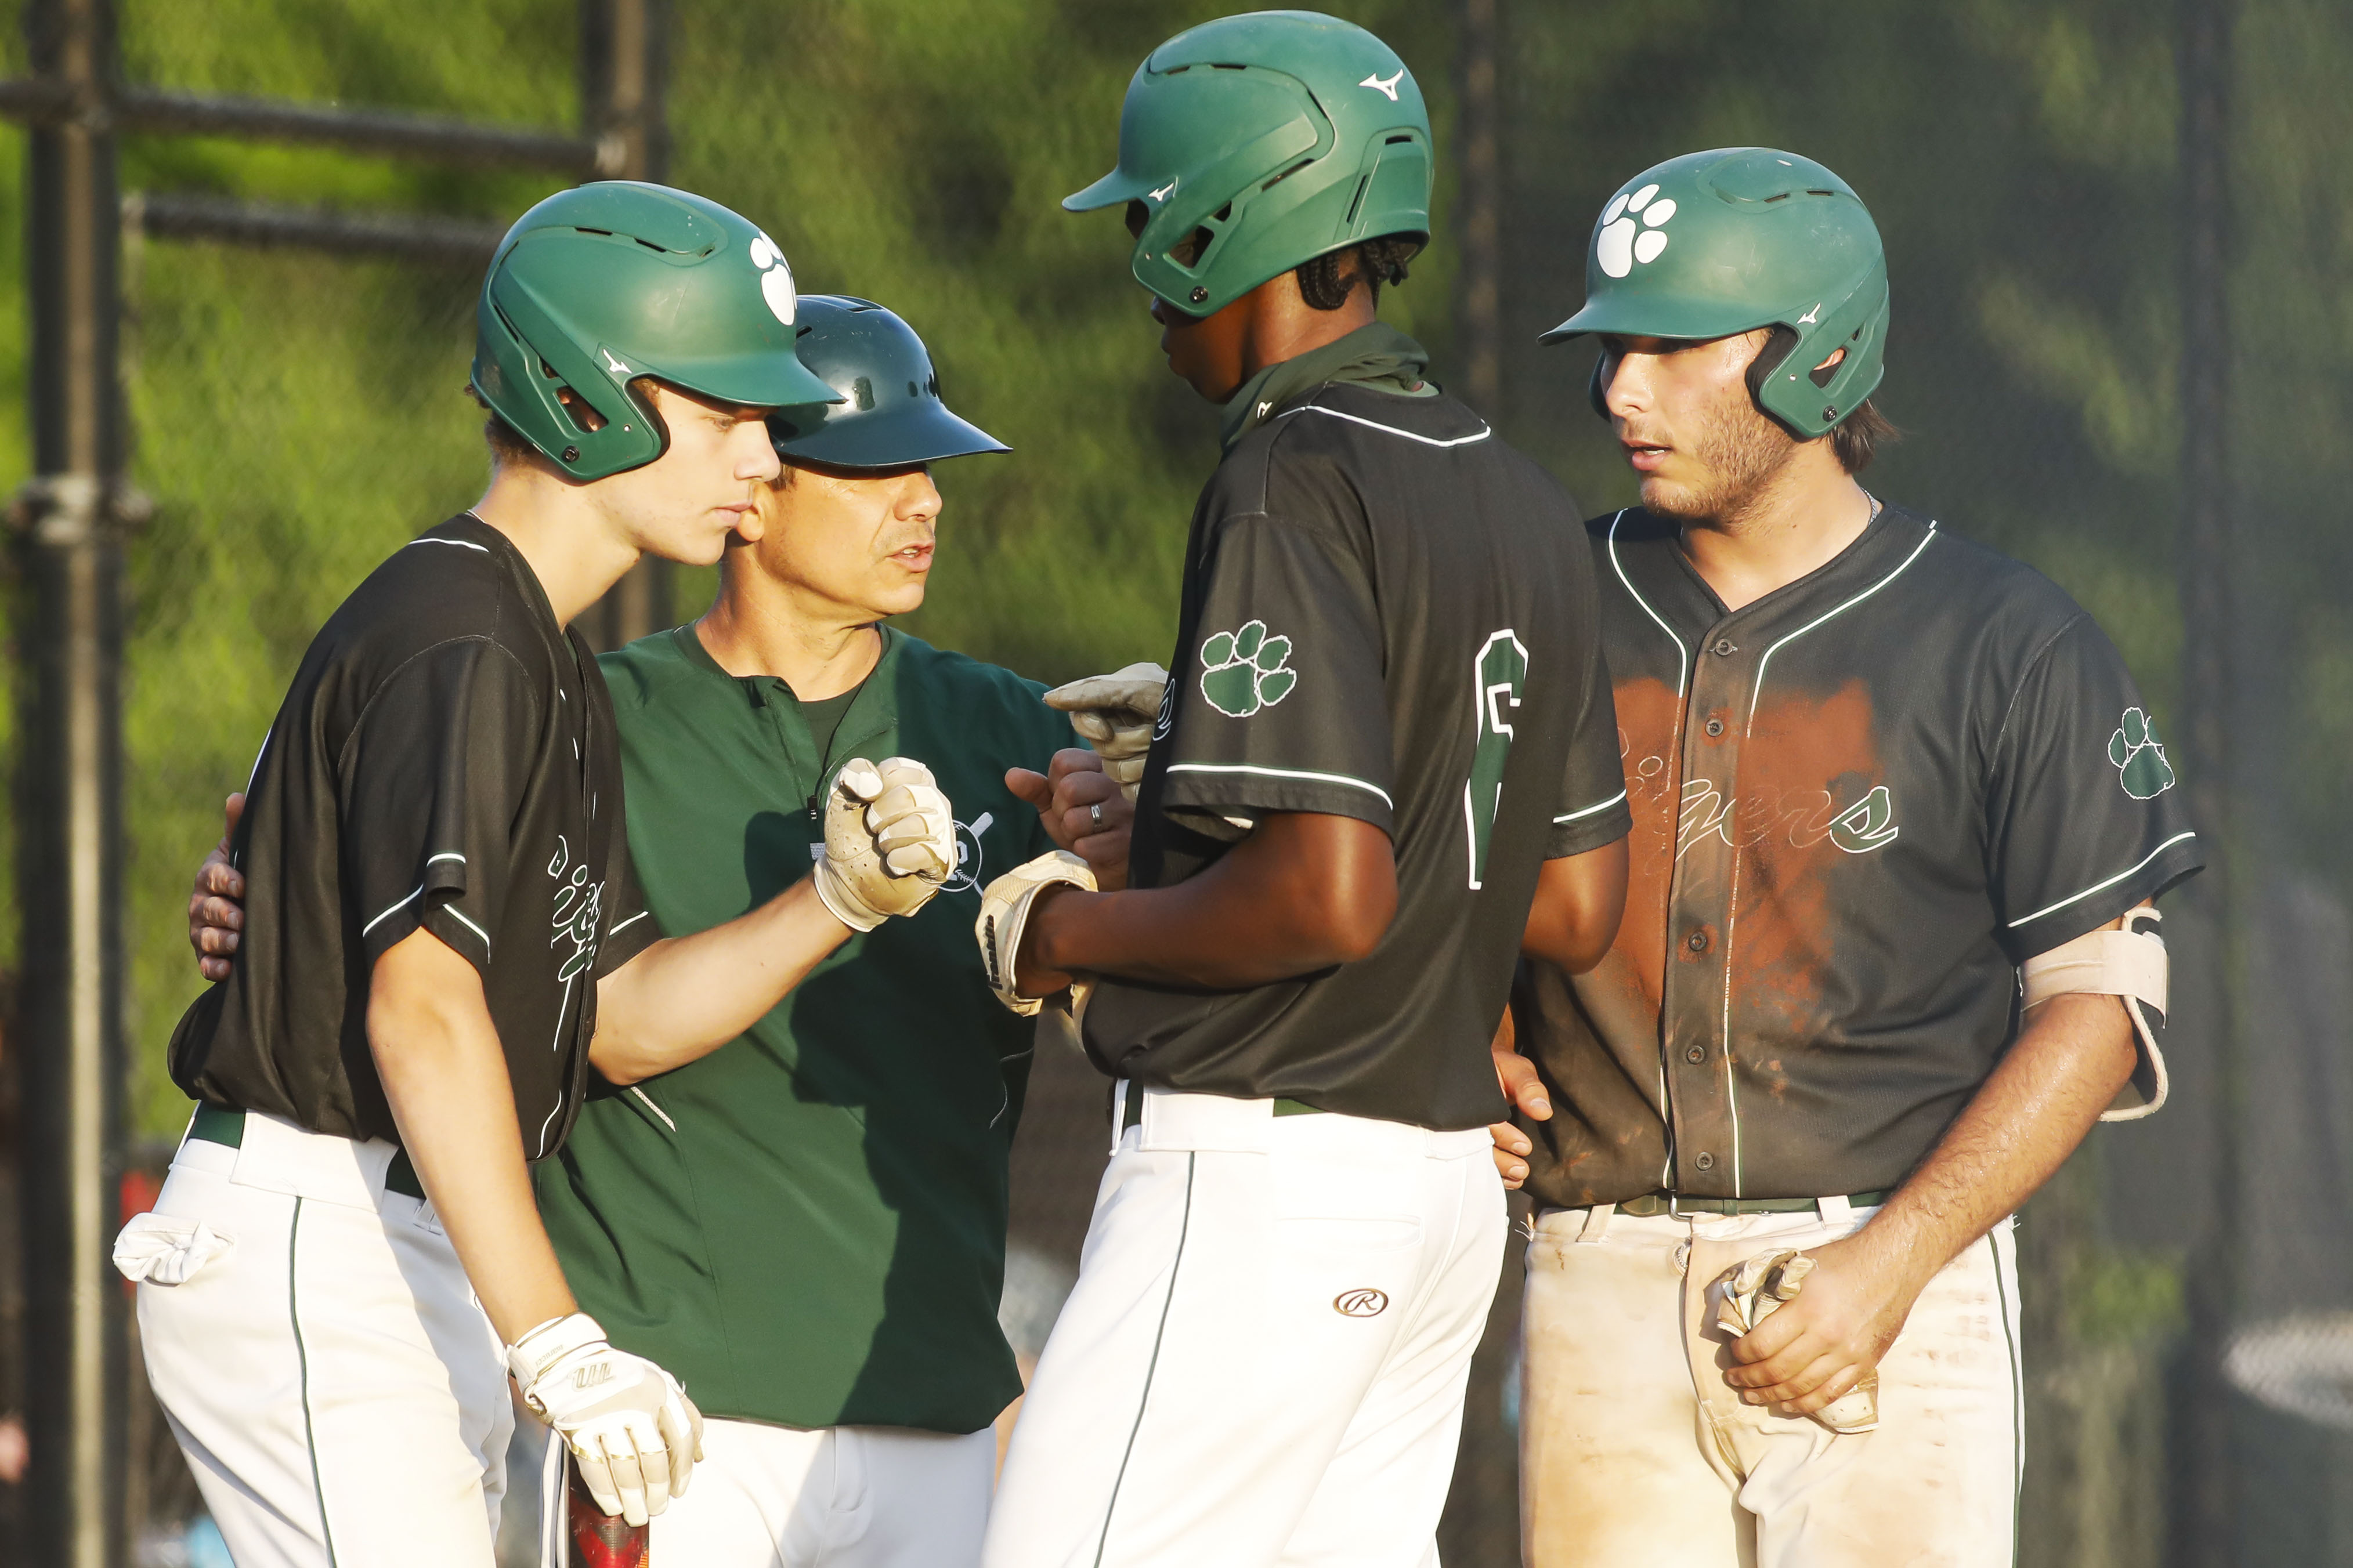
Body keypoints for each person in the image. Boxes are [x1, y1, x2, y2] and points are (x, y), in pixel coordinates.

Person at [180, 295, 1138, 1568]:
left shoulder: (1013, 730)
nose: (926, 501)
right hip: (670, 1399)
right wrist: (276, 895)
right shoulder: (591, 715)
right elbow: (577, 1009)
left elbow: (1123, 1024)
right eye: (874, 468)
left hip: (931, 1387)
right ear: (757, 490)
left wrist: (1142, 855)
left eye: (930, 468)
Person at [972, 14, 1631, 1567]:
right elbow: (1570, 902)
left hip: (1263, 1182)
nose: (1146, 276)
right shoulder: (1524, 495)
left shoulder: (1288, 469)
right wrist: (1189, 809)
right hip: (1439, 1202)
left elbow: (1329, 896)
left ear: (1224, 224)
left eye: (1152, 220)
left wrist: (1063, 932)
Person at [1490, 147, 2201, 1567]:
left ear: (1817, 358)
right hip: (1596, 1272)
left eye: (1672, 345)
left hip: (1896, 1286)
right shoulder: (1535, 601)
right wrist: (1469, 1041)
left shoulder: (2008, 641)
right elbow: (1429, 894)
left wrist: (1891, 1263)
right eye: (1613, 349)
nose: (1621, 390)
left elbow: (2101, 1007)